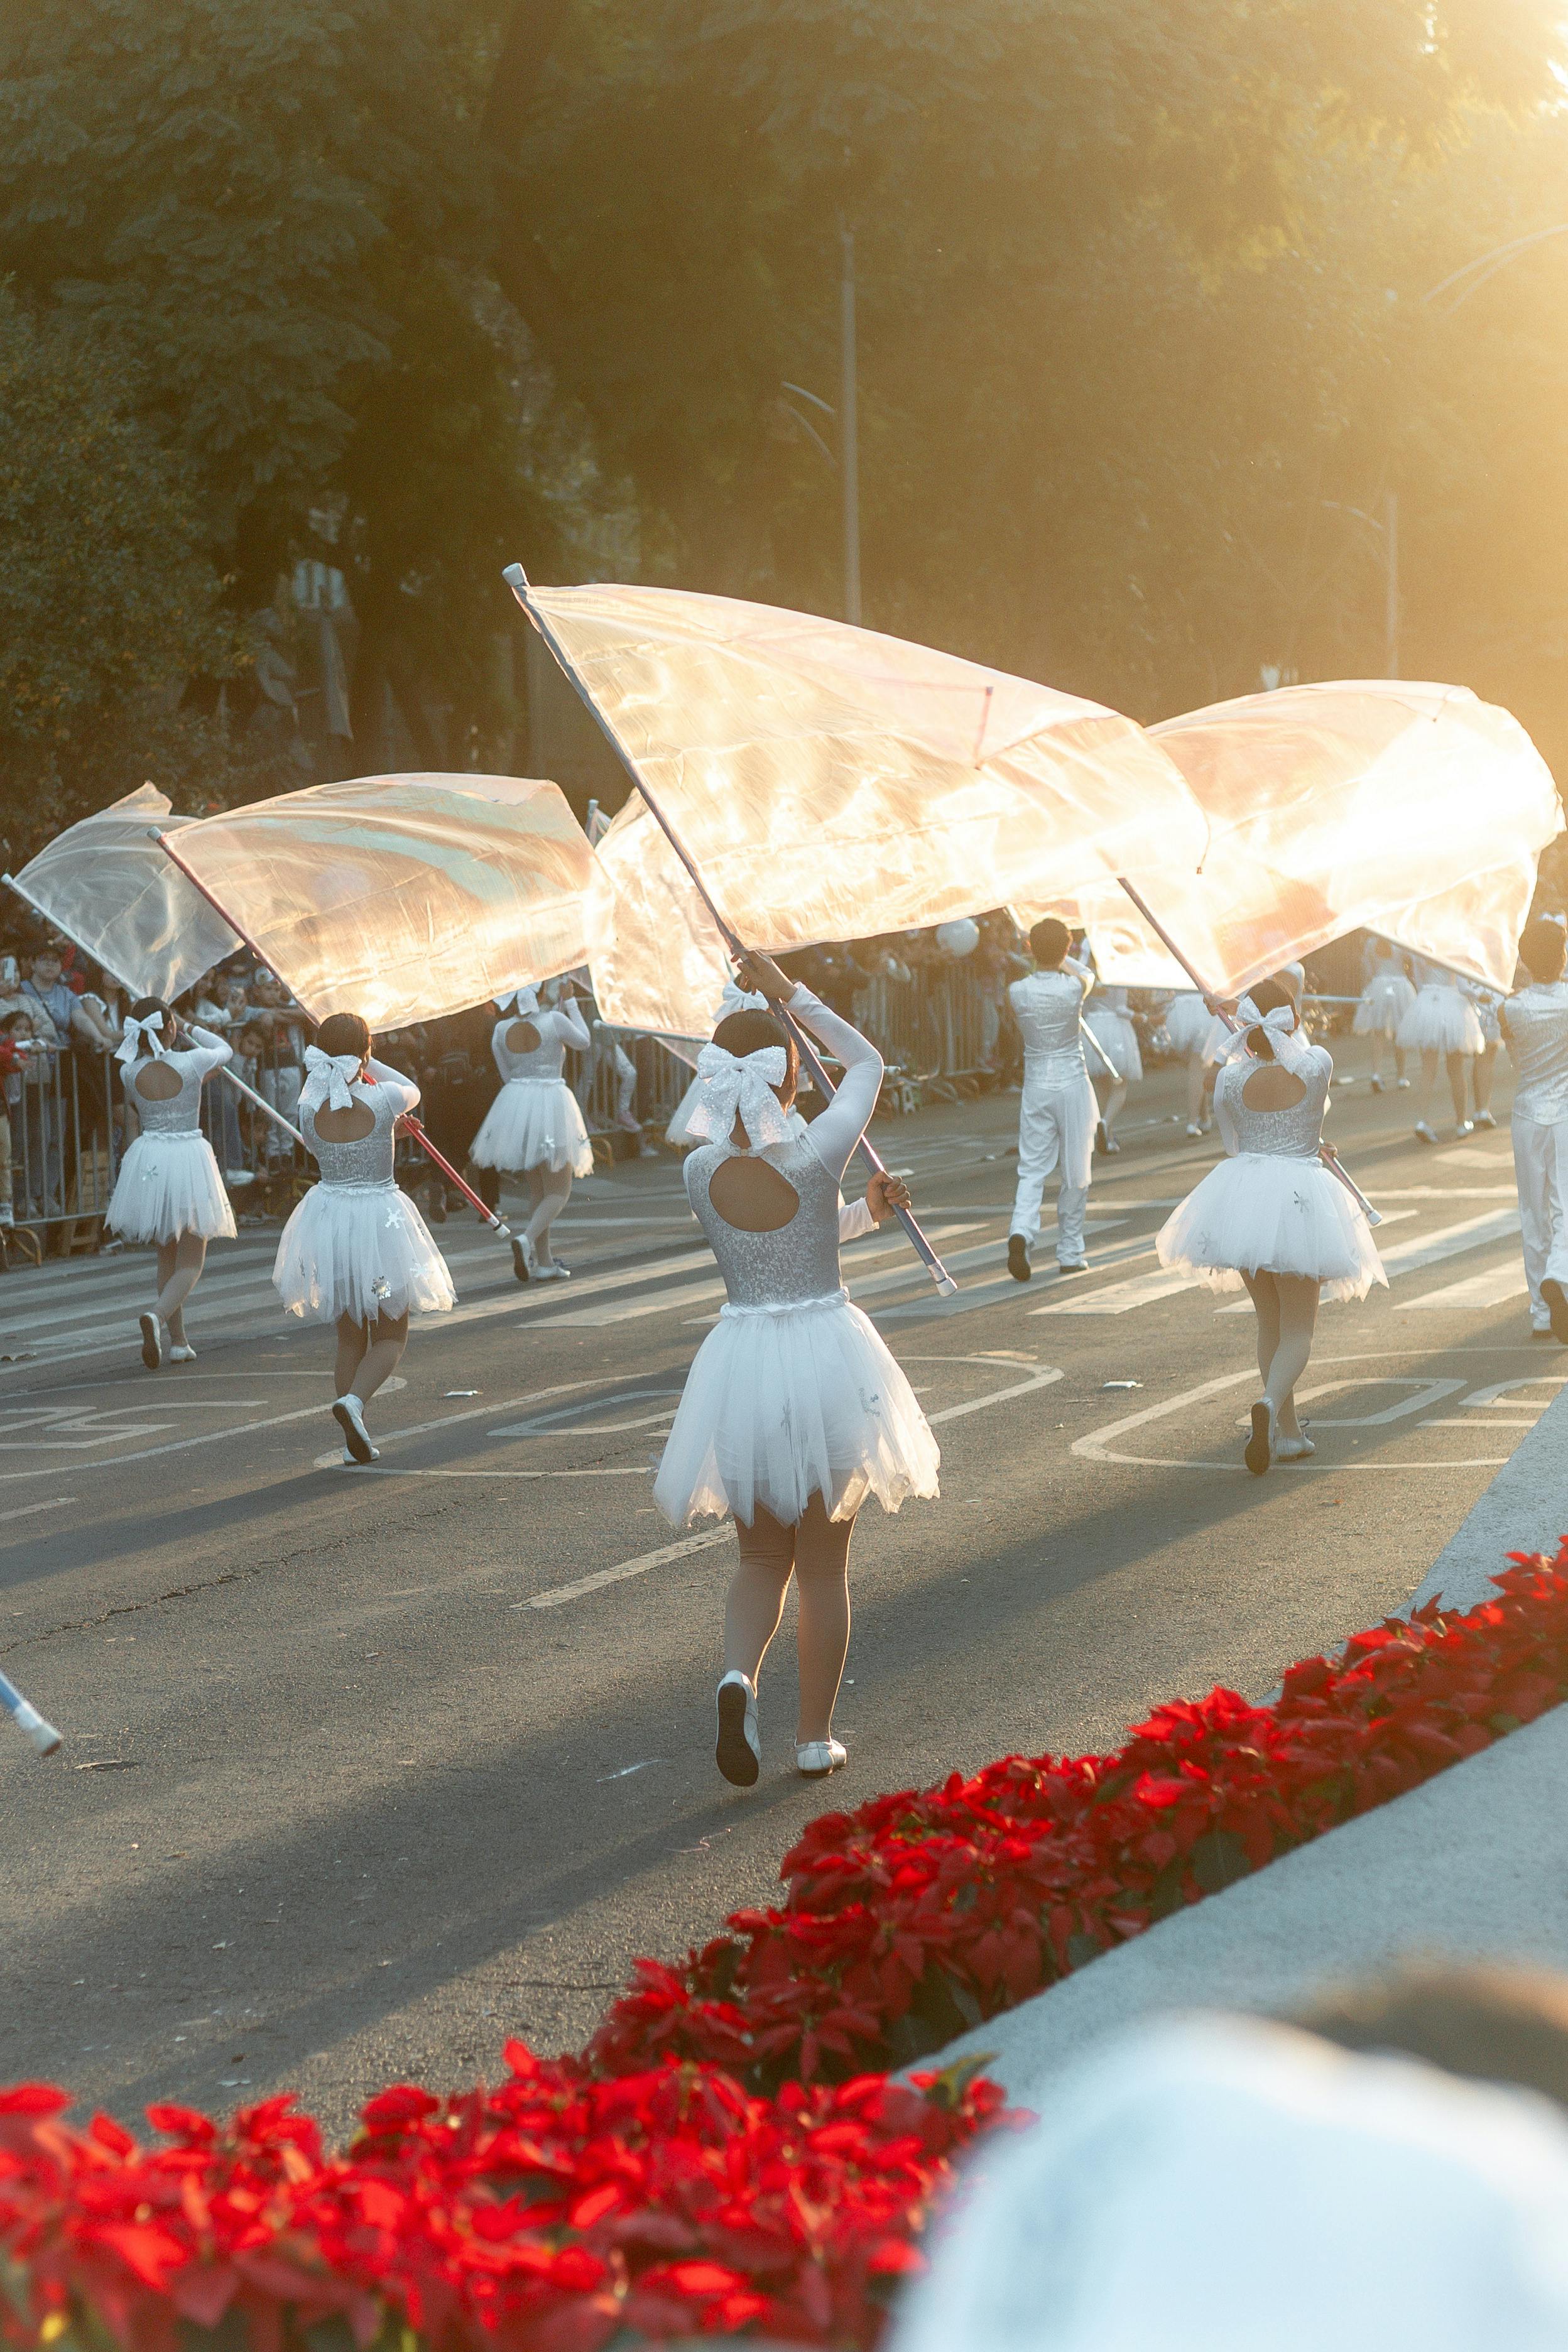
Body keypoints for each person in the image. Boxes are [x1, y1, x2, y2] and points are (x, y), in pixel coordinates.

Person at [653, 952, 940, 1783]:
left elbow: (772, 1247)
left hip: (741, 1359)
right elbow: (866, 1063)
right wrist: (794, 995)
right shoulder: (819, 1152)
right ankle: (813, 1737)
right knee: (824, 1565)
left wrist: (866, 1215)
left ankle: (738, 1679)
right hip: (823, 1353)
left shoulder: (698, 1169)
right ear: (787, 1083)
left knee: (758, 1558)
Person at [1156, 977, 1385, 1473]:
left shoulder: (1230, 1079)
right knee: (1299, 1329)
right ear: (1291, 1019)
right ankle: (1267, 1405)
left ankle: (1287, 1433)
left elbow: (1234, 1143)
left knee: (1269, 1323)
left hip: (1246, 1193)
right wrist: (1309, 1141)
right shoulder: (1318, 1062)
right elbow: (1307, 1099)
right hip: (1301, 1192)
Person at [272, 1013, 455, 1463]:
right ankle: (354, 1403)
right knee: (392, 1332)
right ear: (366, 1051)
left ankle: (353, 1426)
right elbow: (412, 1086)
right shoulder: (386, 1097)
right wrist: (371, 1062)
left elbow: (328, 1149)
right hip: (379, 1220)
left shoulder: (308, 1104)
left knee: (350, 1336)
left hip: (331, 1219)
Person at [104, 999, 237, 1368]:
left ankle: (178, 1341)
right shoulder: (190, 1062)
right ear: (171, 1028)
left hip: (151, 1157)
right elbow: (224, 1050)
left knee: (167, 1254)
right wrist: (192, 1029)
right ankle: (158, 1317)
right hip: (187, 1154)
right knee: (192, 1260)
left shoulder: (128, 1072)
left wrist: (173, 1030)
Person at [469, 979, 594, 1278]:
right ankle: (525, 1240)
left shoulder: (500, 1029)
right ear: (539, 993)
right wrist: (572, 1002)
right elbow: (584, 1041)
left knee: (539, 1189)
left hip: (516, 1104)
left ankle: (545, 1263)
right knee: (559, 1191)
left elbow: (505, 1073)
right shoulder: (554, 1020)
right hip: (551, 1101)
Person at [1004, 918, 1096, 1282]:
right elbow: (1085, 971)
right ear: (1068, 949)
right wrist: (1063, 953)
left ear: (1029, 949)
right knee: (1076, 1169)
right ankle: (1070, 1251)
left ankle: (1021, 1231)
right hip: (1073, 1081)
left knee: (1032, 1168)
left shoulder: (1017, 991)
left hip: (1037, 1083)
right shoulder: (1075, 986)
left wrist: (1038, 950)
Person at [1500, 916, 1568, 1342]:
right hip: (1565, 1112)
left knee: (1532, 1211)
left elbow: (1513, 1057)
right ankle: (1560, 1273)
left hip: (1527, 1113)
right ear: (1561, 957)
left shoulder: (1509, 1008)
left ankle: (1541, 1312)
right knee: (1566, 1205)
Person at [1397, 959, 1484, 1143]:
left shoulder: (1423, 947)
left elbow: (1420, 980)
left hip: (1428, 1001)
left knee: (1427, 1069)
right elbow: (1462, 986)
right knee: (1456, 1068)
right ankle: (1461, 1123)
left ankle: (1422, 1120)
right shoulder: (1455, 947)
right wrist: (1478, 995)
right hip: (1452, 1003)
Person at [1082, 976, 1142, 1153]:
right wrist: (1144, 1018)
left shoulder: (1085, 977)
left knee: (1102, 1088)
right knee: (1120, 1085)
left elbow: (1083, 1010)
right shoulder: (1114, 974)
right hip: (1115, 1029)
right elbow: (1120, 1009)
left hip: (1093, 1028)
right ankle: (1105, 1123)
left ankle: (1107, 1139)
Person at [1353, 937, 1415, 1092]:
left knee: (1378, 1033)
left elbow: (1368, 970)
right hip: (1400, 985)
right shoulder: (1400, 940)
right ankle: (1401, 1077)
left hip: (1380, 985)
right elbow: (1410, 964)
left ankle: (1376, 1074)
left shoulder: (1371, 942)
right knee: (1399, 1033)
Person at [1163, 989, 1214, 1136]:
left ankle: (1204, 1118)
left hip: (1179, 1011)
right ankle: (1192, 1122)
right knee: (1197, 1069)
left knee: (1196, 1069)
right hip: (1202, 1008)